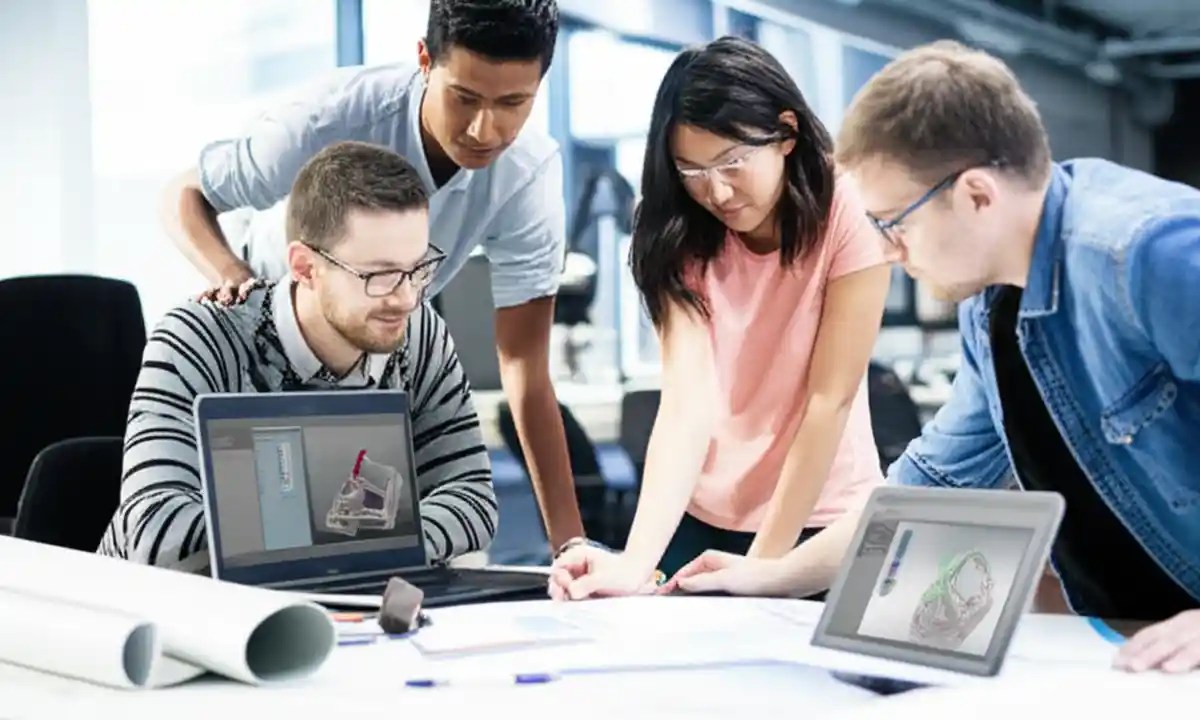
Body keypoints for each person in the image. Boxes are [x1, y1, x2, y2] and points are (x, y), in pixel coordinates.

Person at [658, 40, 1200, 674]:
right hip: (1158, 640)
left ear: (977, 195)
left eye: (893, 222)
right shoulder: (991, 313)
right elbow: (929, 487)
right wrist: (773, 575)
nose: (891, 251)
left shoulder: (1144, 250)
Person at [160, 0, 586, 551]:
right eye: (465, 97)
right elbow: (183, 194)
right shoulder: (326, 118)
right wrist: (234, 277)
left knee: (362, 544)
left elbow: (525, 370)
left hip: (373, 356)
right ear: (424, 60)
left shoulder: (527, 174)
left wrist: (570, 545)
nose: (486, 128)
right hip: (261, 341)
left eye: (513, 102)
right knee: (247, 543)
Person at [547, 36, 891, 600]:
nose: (717, 191)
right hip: (703, 516)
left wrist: (765, 568)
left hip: (822, 522)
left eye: (732, 162)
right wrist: (636, 563)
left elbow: (829, 400)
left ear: (785, 133)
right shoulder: (674, 230)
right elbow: (687, 406)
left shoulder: (846, 208)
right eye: (692, 169)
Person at [98, 141, 496, 572]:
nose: (406, 298)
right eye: (379, 275)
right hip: (173, 616)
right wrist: (372, 533)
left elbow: (471, 497)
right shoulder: (200, 337)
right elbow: (156, 531)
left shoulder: (418, 334)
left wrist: (345, 539)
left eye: (417, 269)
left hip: (340, 607)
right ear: (305, 267)